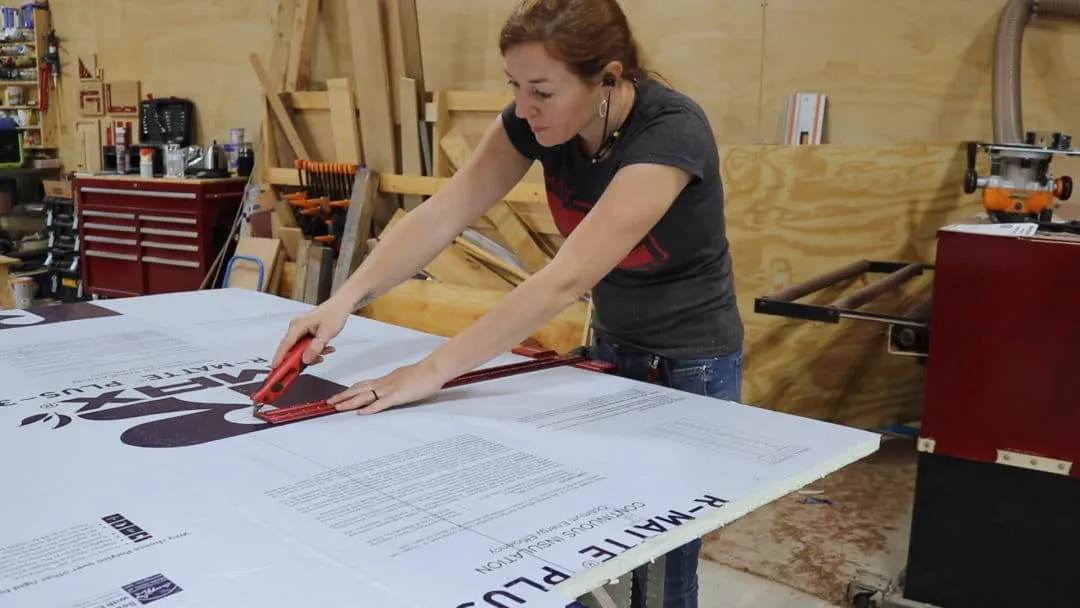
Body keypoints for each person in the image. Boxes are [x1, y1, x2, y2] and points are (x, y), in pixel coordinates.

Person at [272, 0, 743, 605]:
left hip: (691, 362)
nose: (524, 108)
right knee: (582, 531)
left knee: (660, 556)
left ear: (609, 78)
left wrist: (431, 371)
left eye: (542, 90)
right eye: (515, 86)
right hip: (612, 344)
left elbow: (562, 281)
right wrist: (344, 300)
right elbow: (446, 211)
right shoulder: (535, 120)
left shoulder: (672, 132)